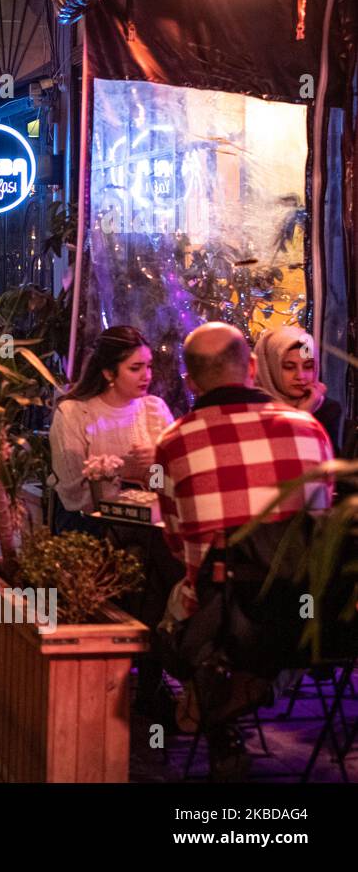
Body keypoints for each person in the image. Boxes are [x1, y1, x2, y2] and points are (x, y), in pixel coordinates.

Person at [154, 322, 333, 779]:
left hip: (227, 619)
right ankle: (252, 689)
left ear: (190, 381)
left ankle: (221, 709)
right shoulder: (309, 429)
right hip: (309, 619)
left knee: (169, 616)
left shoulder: (174, 442)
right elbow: (322, 527)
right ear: (253, 368)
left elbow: (178, 543)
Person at [49, 326, 174, 533]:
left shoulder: (154, 409)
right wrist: (124, 471)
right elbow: (75, 493)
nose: (147, 376)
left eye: (149, 366)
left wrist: (158, 462)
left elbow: (160, 486)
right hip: (89, 525)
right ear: (108, 373)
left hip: (145, 524)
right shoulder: (74, 413)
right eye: (136, 368)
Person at [253, 325, 343, 452]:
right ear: (269, 368)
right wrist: (303, 414)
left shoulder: (326, 409)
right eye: (289, 367)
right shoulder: (253, 408)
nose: (300, 376)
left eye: (308, 366)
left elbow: (327, 462)